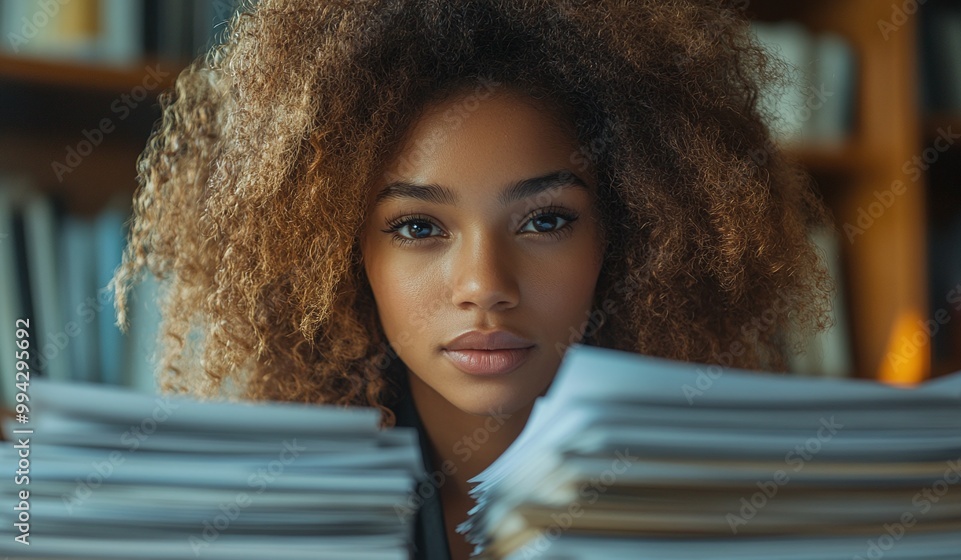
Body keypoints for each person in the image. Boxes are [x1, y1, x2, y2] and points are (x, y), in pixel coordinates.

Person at [112, 1, 834, 558]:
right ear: (339, 254)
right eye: (419, 227)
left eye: (546, 221)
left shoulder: (739, 513)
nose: (485, 285)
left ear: (633, 237)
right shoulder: (265, 517)